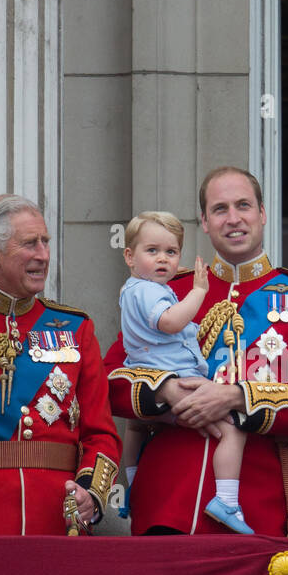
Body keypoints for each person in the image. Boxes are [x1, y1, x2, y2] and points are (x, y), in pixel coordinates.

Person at [104, 166, 288, 535]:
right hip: (166, 497)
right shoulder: (169, 291)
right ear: (204, 220)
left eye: (243, 206)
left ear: (262, 214)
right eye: (220, 209)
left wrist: (234, 397)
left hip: (260, 499)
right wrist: (166, 391)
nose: (233, 219)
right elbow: (111, 379)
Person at [0, 195, 120, 535]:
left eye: (45, 242)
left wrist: (91, 494)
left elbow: (101, 433)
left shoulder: (75, 326)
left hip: (58, 515)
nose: (43, 255)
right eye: (30, 244)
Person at [117, 211, 249, 533]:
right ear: (130, 256)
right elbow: (171, 322)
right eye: (153, 251)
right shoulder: (153, 291)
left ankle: (130, 487)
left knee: (136, 428)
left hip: (145, 373)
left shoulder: (132, 289)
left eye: (171, 252)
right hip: (176, 376)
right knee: (232, 429)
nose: (163, 259)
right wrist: (199, 292)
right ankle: (228, 500)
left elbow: (165, 330)